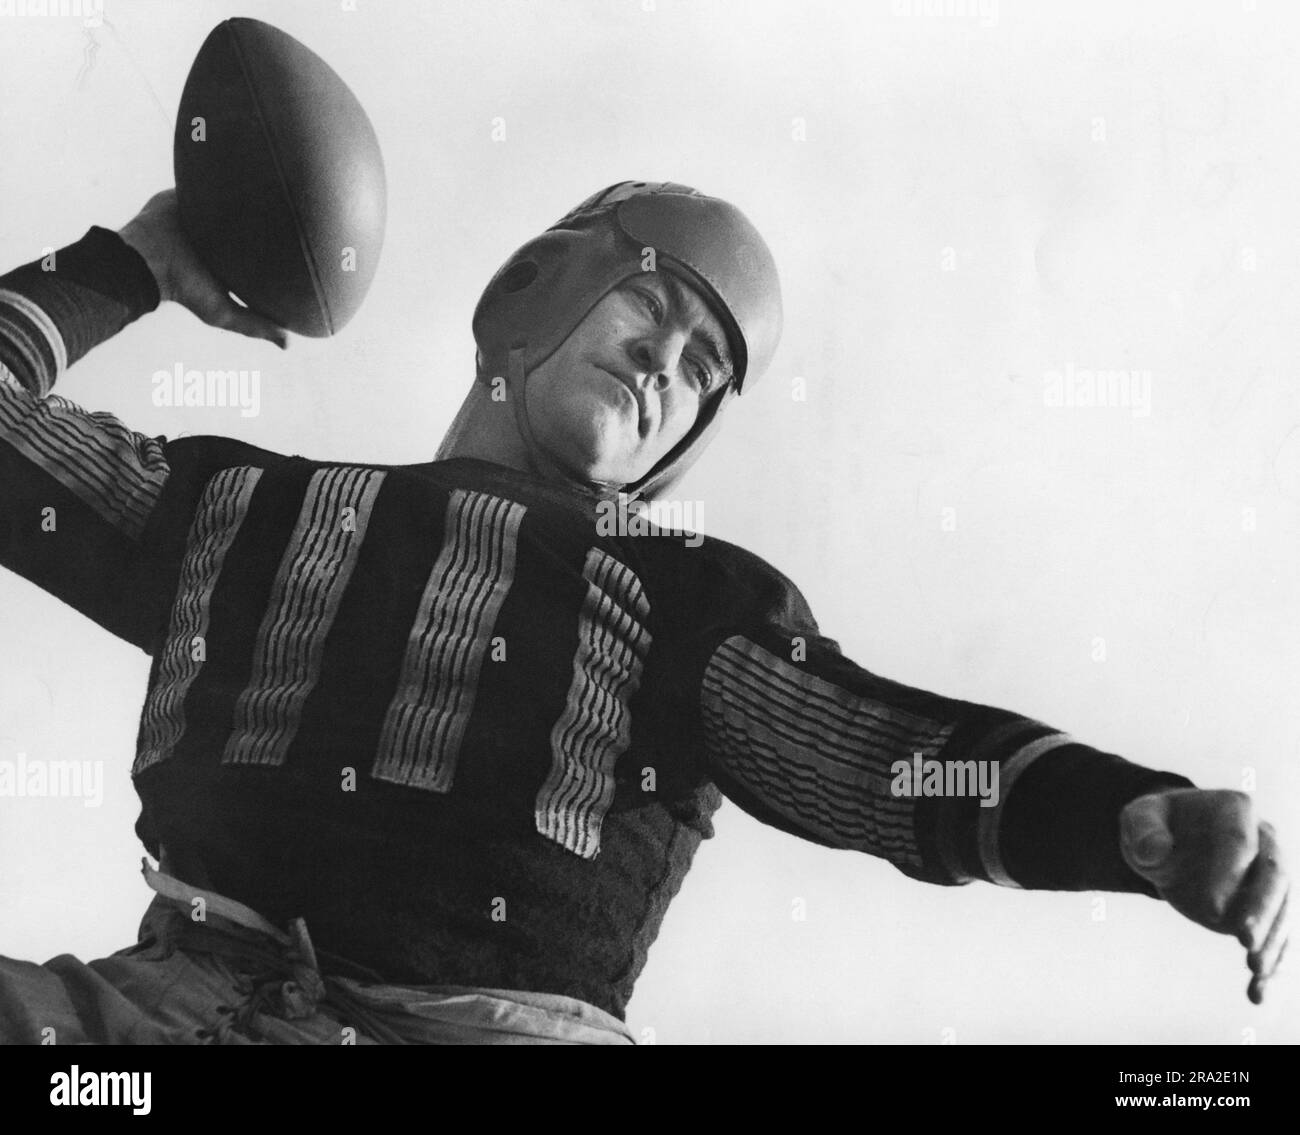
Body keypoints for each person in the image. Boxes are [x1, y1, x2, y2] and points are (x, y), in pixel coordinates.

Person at [0, 181, 1288, 1044]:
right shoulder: (250, 508)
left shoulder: (677, 597)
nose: (669, 364)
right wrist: (138, 262)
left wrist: (1120, 818)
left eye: (706, 370)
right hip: (153, 1028)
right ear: (525, 295)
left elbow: (868, 753)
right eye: (653, 308)